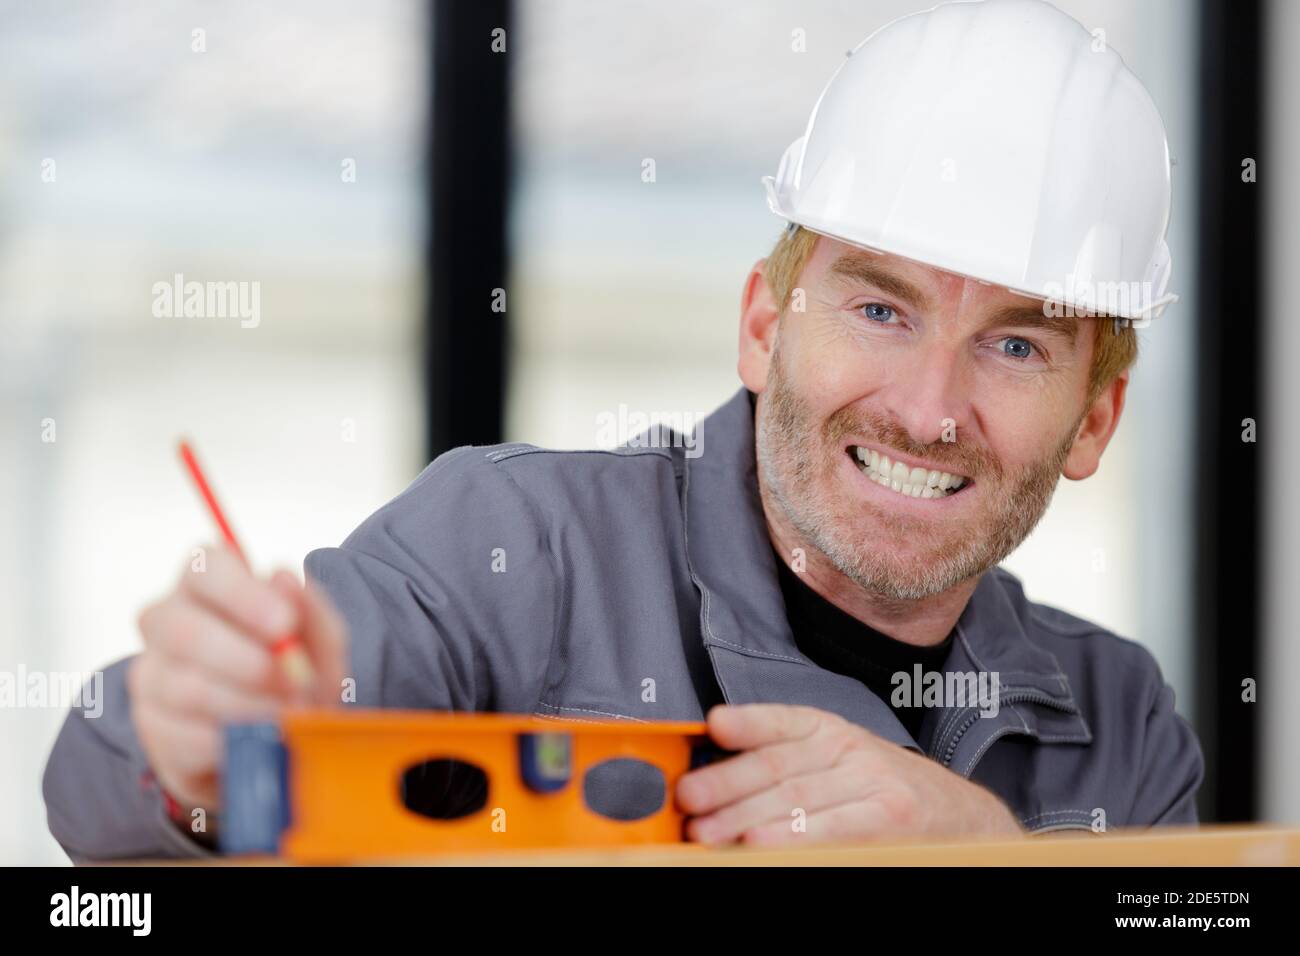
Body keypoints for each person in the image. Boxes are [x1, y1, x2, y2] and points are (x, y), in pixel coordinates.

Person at [43, 0, 1201, 860]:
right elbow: (106, 802)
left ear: (1093, 418)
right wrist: (194, 749)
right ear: (762, 328)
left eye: (1016, 345)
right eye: (878, 309)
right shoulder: (511, 549)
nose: (927, 407)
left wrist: (997, 858)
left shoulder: (1119, 720)